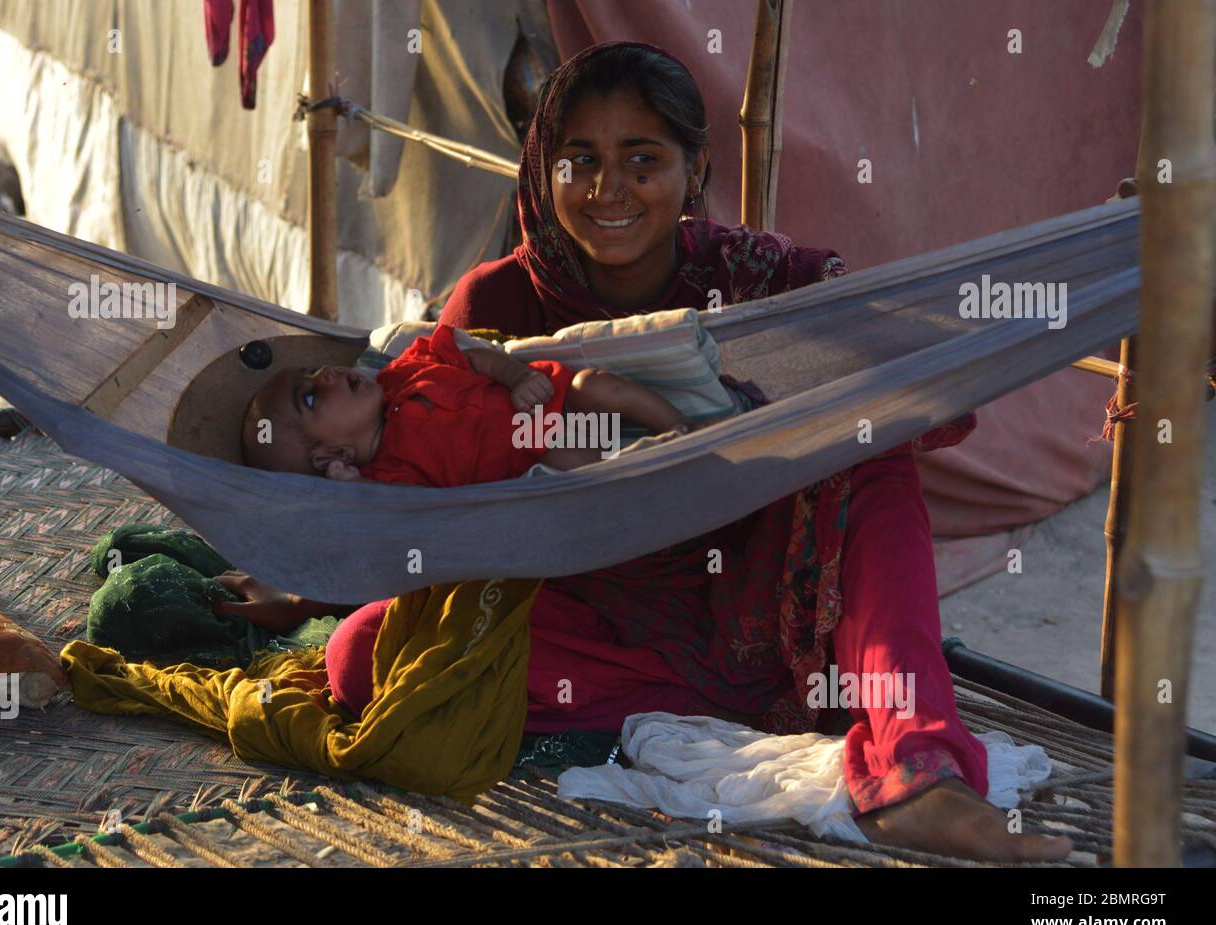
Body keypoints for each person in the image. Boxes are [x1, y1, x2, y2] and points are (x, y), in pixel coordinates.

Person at [216, 40, 1072, 862]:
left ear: (694, 172)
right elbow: (415, 477)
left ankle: (921, 770)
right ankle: (703, 711)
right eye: (577, 160)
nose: (606, 189)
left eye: (641, 159)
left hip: (764, 590)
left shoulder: (757, 283)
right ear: (542, 167)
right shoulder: (497, 299)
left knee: (870, 456)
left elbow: (918, 383)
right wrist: (305, 580)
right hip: (585, 601)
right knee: (359, 657)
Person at [239, 323, 690, 484]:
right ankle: (651, 476)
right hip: (531, 453)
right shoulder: (391, 473)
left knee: (598, 385)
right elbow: (396, 515)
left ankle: (681, 430)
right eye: (312, 395)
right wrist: (354, 487)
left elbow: (472, 356)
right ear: (333, 455)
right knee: (578, 469)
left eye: (311, 371)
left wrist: (516, 375)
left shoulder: (402, 369)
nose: (327, 373)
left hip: (544, 399)